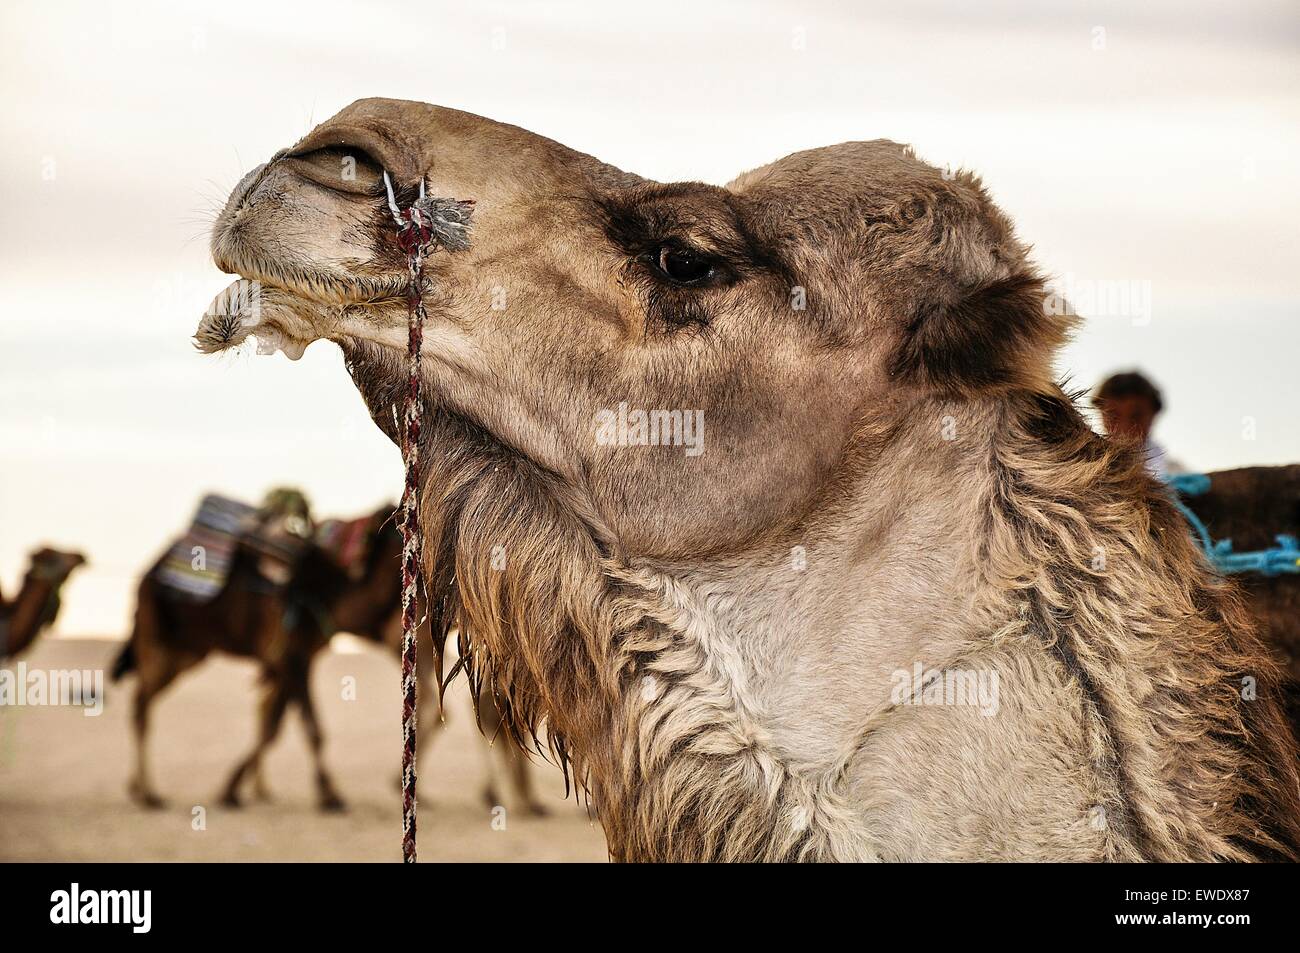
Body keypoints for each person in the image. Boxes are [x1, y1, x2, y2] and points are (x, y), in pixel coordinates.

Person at [1092, 371, 1184, 478]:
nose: (1124, 428)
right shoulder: (1082, 468)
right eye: (1113, 416)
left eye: (1136, 416)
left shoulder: (1178, 477)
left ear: (1153, 415)